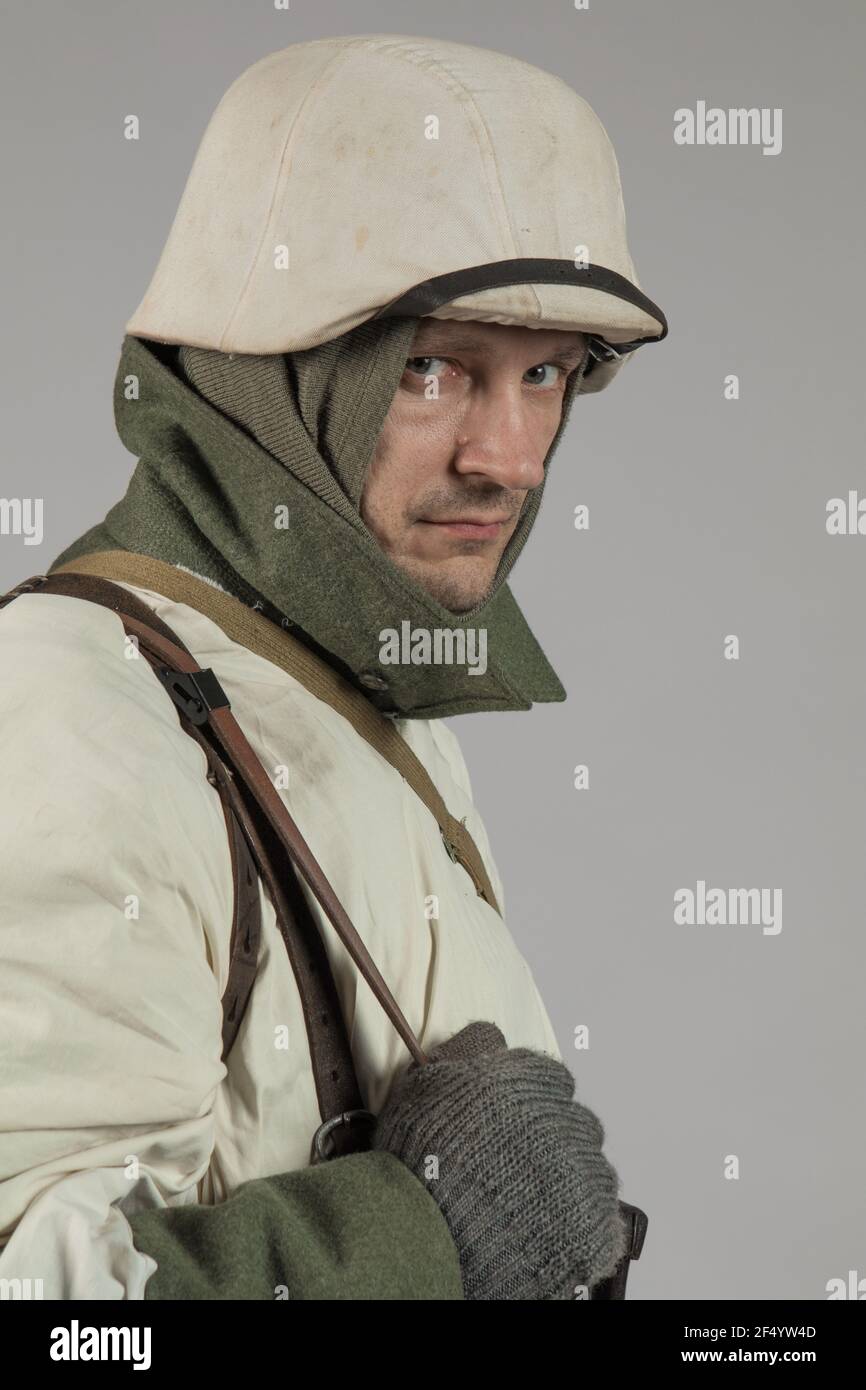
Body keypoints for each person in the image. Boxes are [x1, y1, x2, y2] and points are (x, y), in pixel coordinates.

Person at [0, 33, 666, 1300]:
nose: (511, 456)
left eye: (545, 375)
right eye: (432, 369)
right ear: (269, 376)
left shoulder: (340, 685)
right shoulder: (72, 716)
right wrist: (410, 1228)